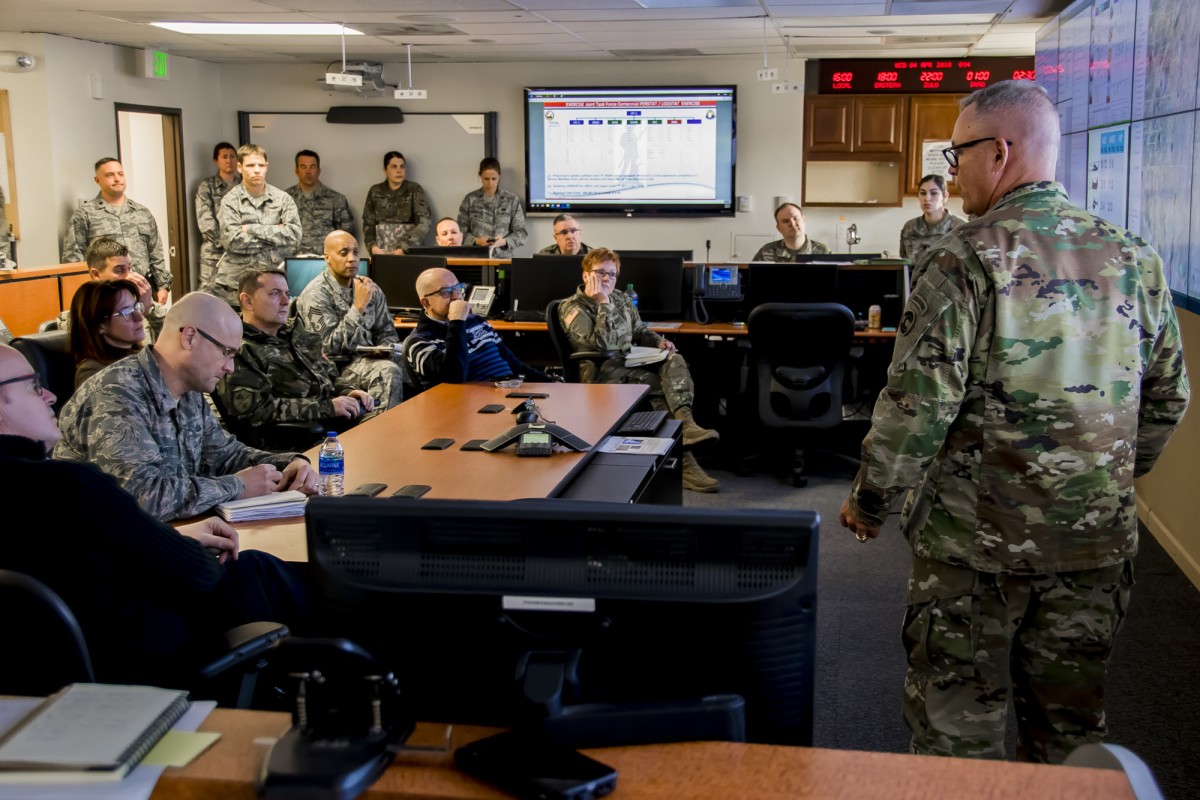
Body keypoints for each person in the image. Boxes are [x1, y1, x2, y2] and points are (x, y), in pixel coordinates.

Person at [838, 80, 1190, 764]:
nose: (951, 169)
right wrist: (1102, 480)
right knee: (1067, 736)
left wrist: (871, 500)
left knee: (955, 732)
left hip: (976, 548)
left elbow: (919, 405)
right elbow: (1168, 399)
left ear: (999, 151)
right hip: (1093, 546)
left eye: (957, 153)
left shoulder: (964, 255)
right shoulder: (1136, 257)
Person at [0, 342, 311, 688]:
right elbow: (199, 572)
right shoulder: (70, 488)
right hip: (142, 668)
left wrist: (163, 540)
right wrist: (171, 544)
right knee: (254, 569)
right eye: (32, 385)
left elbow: (78, 559)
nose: (49, 395)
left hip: (44, 686)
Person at [54, 291, 319, 522]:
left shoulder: (188, 388)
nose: (230, 367)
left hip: (169, 538)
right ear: (190, 337)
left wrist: (289, 463)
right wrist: (237, 485)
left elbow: (224, 455)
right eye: (226, 352)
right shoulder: (116, 394)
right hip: (105, 559)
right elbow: (143, 497)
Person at [558, 248, 720, 492]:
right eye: (600, 273)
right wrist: (602, 302)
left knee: (674, 359)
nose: (606, 279)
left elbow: (639, 330)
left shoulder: (622, 298)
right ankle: (684, 462)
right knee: (658, 388)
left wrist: (657, 342)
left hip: (629, 363)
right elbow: (601, 346)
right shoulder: (572, 307)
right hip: (600, 372)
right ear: (585, 276)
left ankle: (685, 423)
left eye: (612, 275)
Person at [216, 269, 379, 433]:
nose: (286, 301)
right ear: (248, 301)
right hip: (294, 441)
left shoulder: (297, 334)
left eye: (287, 293)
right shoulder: (238, 349)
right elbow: (254, 410)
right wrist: (327, 407)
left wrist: (349, 392)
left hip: (333, 424)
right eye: (275, 294)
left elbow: (329, 375)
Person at [295, 230, 405, 410]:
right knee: (388, 371)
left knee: (411, 361)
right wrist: (358, 308)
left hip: (368, 359)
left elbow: (386, 331)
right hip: (335, 366)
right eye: (344, 253)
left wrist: (383, 349)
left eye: (355, 252)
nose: (352, 258)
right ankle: (377, 431)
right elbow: (327, 348)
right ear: (327, 257)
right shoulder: (315, 295)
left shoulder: (369, 287)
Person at [404, 267, 553, 390]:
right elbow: (454, 376)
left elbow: (513, 364)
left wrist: (551, 383)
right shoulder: (418, 342)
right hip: (470, 407)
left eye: (458, 288)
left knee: (546, 413)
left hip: (508, 392)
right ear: (426, 303)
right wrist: (457, 321)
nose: (457, 297)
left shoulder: (477, 322)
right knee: (533, 424)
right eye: (446, 292)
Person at [61, 158, 171, 304]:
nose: (117, 179)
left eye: (120, 174)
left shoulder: (142, 213)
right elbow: (73, 259)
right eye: (110, 175)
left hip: (142, 290)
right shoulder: (84, 215)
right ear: (97, 180)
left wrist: (163, 285)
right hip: (107, 294)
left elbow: (155, 252)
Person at [211, 144, 301, 307]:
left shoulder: (283, 199)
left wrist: (251, 228)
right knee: (238, 331)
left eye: (261, 165)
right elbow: (233, 242)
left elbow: (294, 235)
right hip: (237, 286)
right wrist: (276, 235)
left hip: (275, 284)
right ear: (239, 167)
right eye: (251, 165)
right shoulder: (230, 201)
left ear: (266, 167)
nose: (257, 170)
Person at [57, 236, 166, 340]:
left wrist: (149, 309)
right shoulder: (80, 315)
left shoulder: (142, 302)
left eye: (129, 268)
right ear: (96, 274)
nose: (129, 276)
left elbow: (174, 332)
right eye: (119, 270)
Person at [68, 278, 145, 388]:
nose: (139, 317)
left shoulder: (143, 355)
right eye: (127, 312)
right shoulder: (93, 372)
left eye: (136, 307)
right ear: (100, 325)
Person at [285, 149, 354, 256]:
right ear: (296, 171)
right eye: (303, 167)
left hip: (326, 260)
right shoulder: (284, 198)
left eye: (312, 167)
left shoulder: (336, 199)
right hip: (293, 259)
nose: (308, 171)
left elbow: (346, 235)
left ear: (318, 171)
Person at [456, 157, 528, 257]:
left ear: (499, 176)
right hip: (476, 257)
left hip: (503, 257)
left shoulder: (511, 200)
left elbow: (521, 233)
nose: (490, 183)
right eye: (486, 179)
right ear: (480, 176)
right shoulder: (470, 200)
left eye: (494, 179)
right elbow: (459, 232)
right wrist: (476, 241)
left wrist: (504, 241)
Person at [362, 151, 431, 255]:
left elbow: (424, 223)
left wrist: (404, 248)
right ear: (385, 170)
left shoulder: (414, 189)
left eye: (402, 167)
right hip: (381, 250)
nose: (399, 171)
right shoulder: (375, 191)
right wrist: (373, 247)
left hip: (409, 250)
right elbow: (368, 223)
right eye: (394, 167)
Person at [195, 142, 238, 288]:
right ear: (216, 161)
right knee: (209, 295)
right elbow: (206, 222)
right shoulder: (207, 187)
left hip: (240, 254)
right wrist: (229, 242)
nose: (229, 160)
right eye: (224, 157)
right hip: (214, 254)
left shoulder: (243, 186)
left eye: (232, 156)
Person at [899, 174, 967, 264]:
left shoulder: (961, 227)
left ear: (945, 197)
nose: (927, 198)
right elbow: (905, 262)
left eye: (934, 193)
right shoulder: (910, 227)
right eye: (923, 193)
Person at [752, 203, 829, 261]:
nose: (792, 224)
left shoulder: (823, 252)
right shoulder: (766, 251)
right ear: (778, 227)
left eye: (795, 218)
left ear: (804, 220)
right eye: (785, 221)